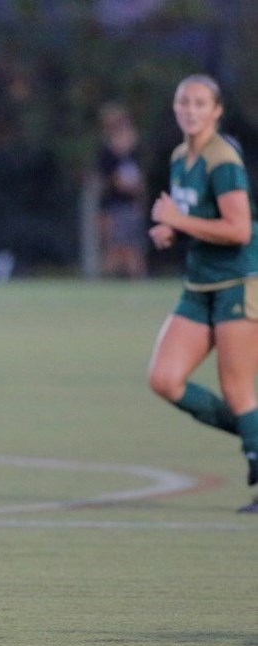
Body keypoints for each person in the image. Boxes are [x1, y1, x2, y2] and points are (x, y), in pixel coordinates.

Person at [145, 74, 258, 513]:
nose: (190, 109)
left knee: (237, 388)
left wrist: (180, 220)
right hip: (198, 284)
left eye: (199, 103)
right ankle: (254, 435)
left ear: (216, 111)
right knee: (164, 379)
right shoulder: (180, 157)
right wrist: (172, 229)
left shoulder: (221, 158)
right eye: (183, 102)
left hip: (236, 281)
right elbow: (196, 216)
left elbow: (238, 229)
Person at [96, 103, 148, 279]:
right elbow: (114, 182)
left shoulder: (134, 154)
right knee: (115, 248)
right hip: (114, 207)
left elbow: (139, 182)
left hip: (130, 206)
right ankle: (106, 283)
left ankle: (136, 281)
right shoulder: (108, 154)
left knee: (133, 248)